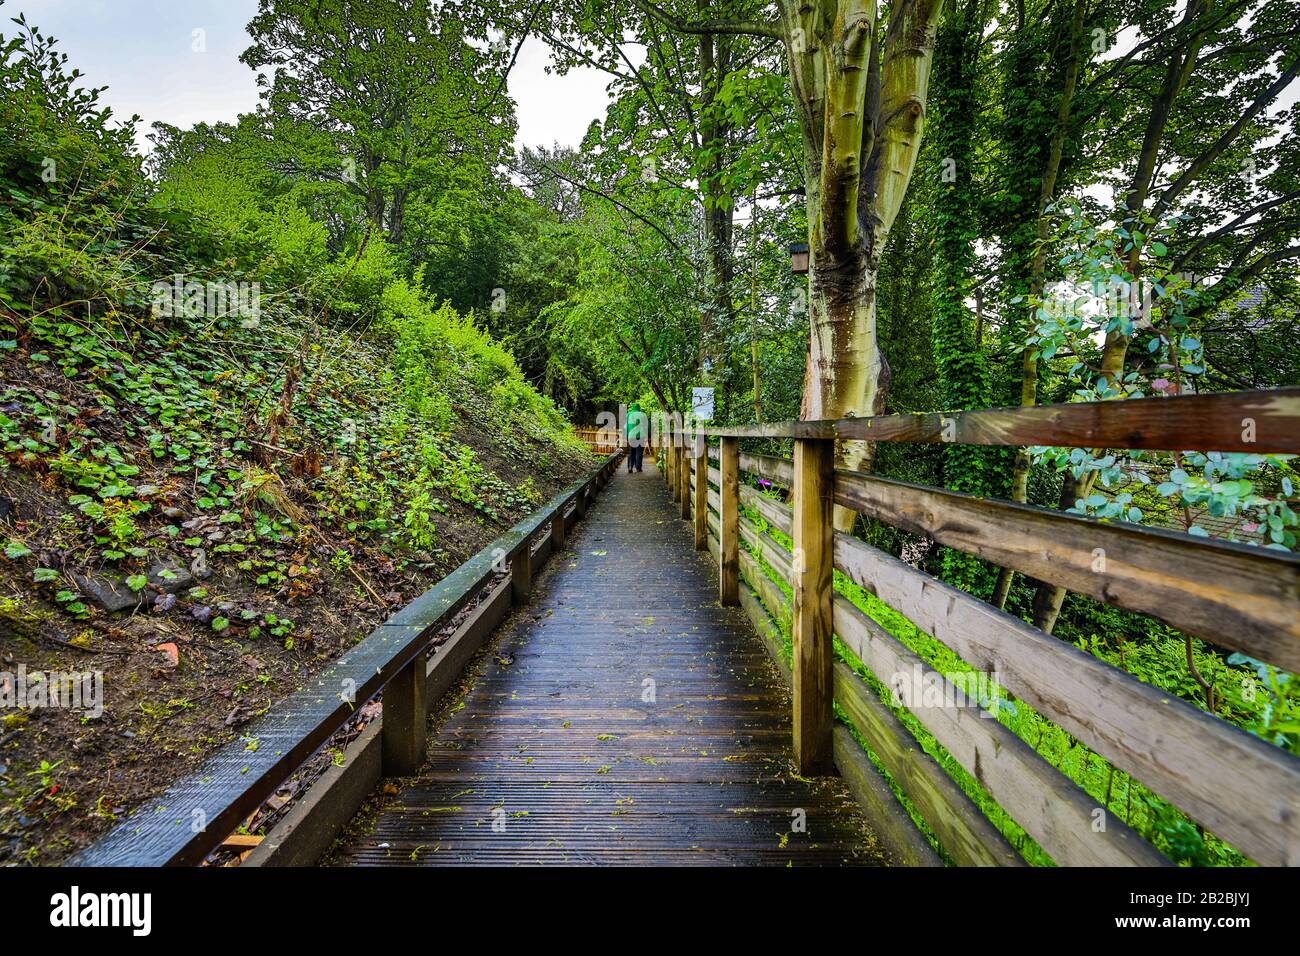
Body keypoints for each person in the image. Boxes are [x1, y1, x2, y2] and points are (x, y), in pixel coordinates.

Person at [626, 402, 647, 473]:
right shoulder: (643, 415)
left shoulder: (628, 414)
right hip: (641, 436)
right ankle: (638, 468)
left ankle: (630, 467)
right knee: (639, 452)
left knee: (631, 452)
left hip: (631, 436)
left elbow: (625, 427)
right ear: (639, 408)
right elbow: (647, 426)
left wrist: (625, 436)